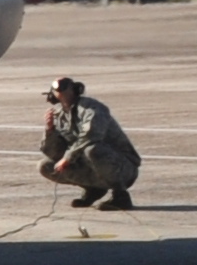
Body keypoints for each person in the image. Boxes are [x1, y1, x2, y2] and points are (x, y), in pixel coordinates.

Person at [39, 76, 140, 209]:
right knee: (46, 166)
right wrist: (50, 130)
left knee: (92, 150)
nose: (61, 92)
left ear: (75, 89)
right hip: (93, 165)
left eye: (65, 87)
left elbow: (91, 136)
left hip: (123, 168)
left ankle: (121, 196)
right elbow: (53, 152)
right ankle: (94, 189)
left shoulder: (91, 108)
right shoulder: (59, 115)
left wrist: (68, 158)